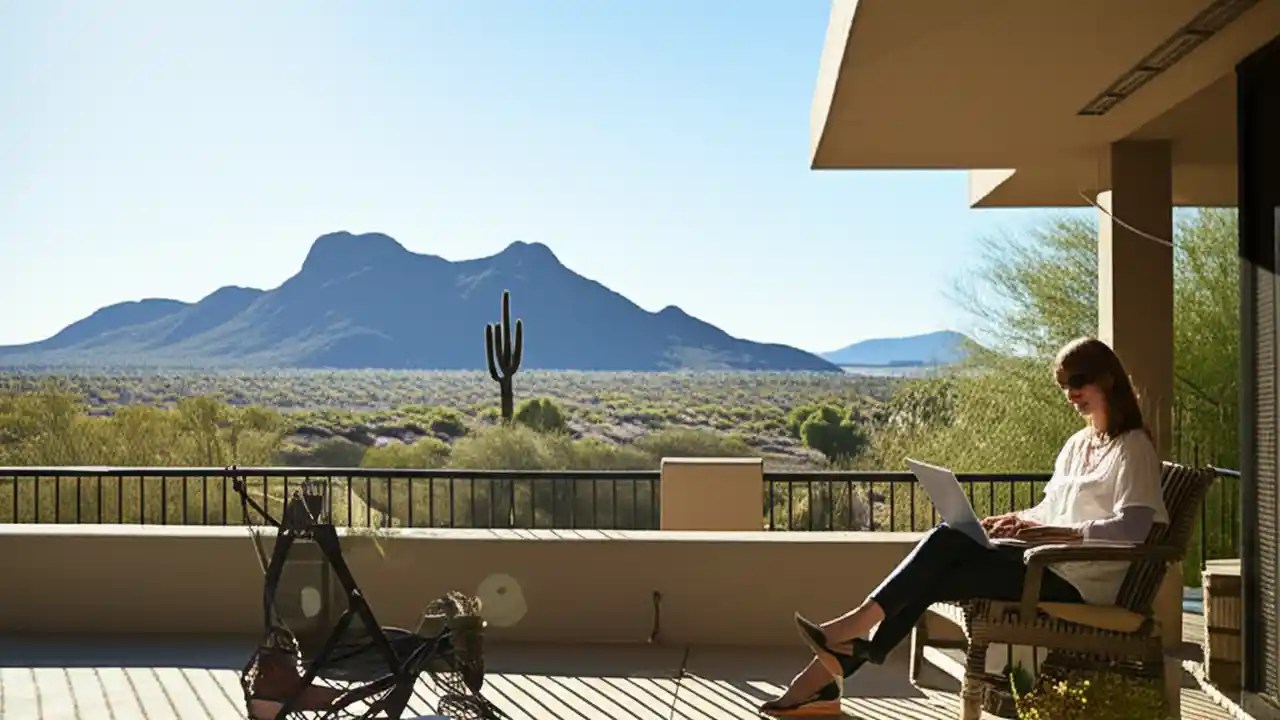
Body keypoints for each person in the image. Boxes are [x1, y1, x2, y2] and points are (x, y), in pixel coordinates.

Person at [760, 337, 1169, 716]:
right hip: (1045, 561)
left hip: (1081, 581)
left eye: (1077, 381)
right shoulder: (1078, 444)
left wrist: (1056, 535)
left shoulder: (1133, 447)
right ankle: (838, 665)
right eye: (1063, 385)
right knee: (943, 554)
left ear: (1107, 378)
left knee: (943, 552)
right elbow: (1051, 507)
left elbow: (1132, 529)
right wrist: (1018, 519)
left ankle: (847, 643)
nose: (1070, 393)